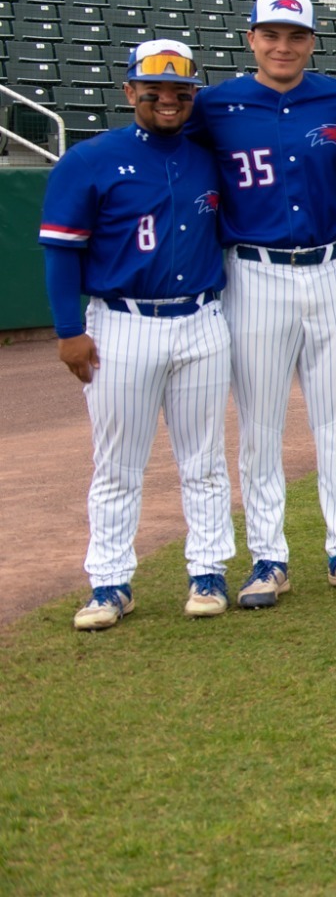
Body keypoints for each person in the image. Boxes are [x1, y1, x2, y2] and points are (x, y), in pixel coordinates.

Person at [189, 0, 336, 607]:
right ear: (251, 38)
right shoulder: (214, 106)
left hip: (330, 268)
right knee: (260, 425)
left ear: (311, 41)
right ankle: (267, 556)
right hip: (254, 272)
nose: (283, 46)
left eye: (295, 36)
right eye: (271, 34)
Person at [43, 40, 234, 629]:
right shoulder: (90, 159)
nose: (168, 100)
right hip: (123, 323)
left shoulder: (207, 156)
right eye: (154, 90)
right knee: (118, 465)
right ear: (130, 92)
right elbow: (59, 251)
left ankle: (208, 571)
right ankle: (109, 583)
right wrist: (69, 330)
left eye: (181, 92)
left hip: (201, 319)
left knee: (204, 460)